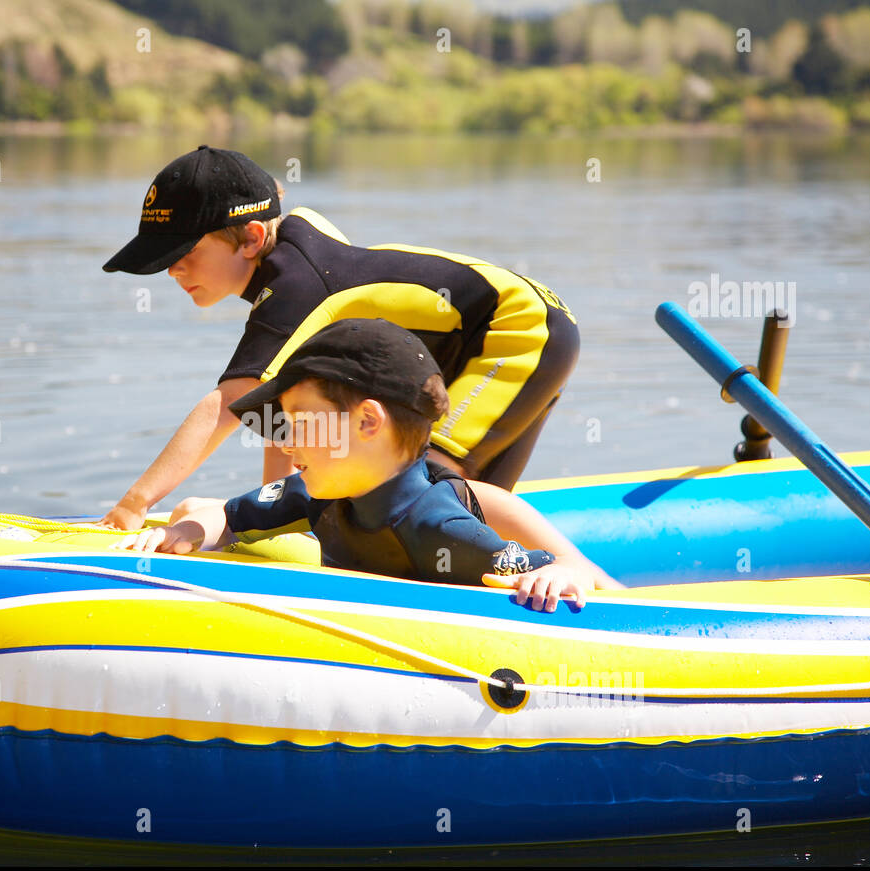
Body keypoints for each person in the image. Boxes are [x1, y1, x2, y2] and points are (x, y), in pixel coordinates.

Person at [98, 145, 580, 534]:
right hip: (516, 327)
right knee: (463, 507)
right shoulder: (295, 258)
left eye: (186, 252)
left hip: (517, 329)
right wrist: (275, 522)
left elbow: (227, 405)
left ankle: (577, 578)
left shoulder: (296, 286)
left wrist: (134, 503)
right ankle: (507, 566)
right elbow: (281, 412)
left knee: (424, 483)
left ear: (248, 239)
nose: (173, 269)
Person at [114, 319, 615, 611]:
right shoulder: (316, 493)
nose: (287, 446)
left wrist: (558, 575)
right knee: (193, 507)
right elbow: (230, 515)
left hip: (479, 506)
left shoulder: (439, 528)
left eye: (301, 423)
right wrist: (188, 532)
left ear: (368, 423)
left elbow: (561, 569)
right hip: (443, 492)